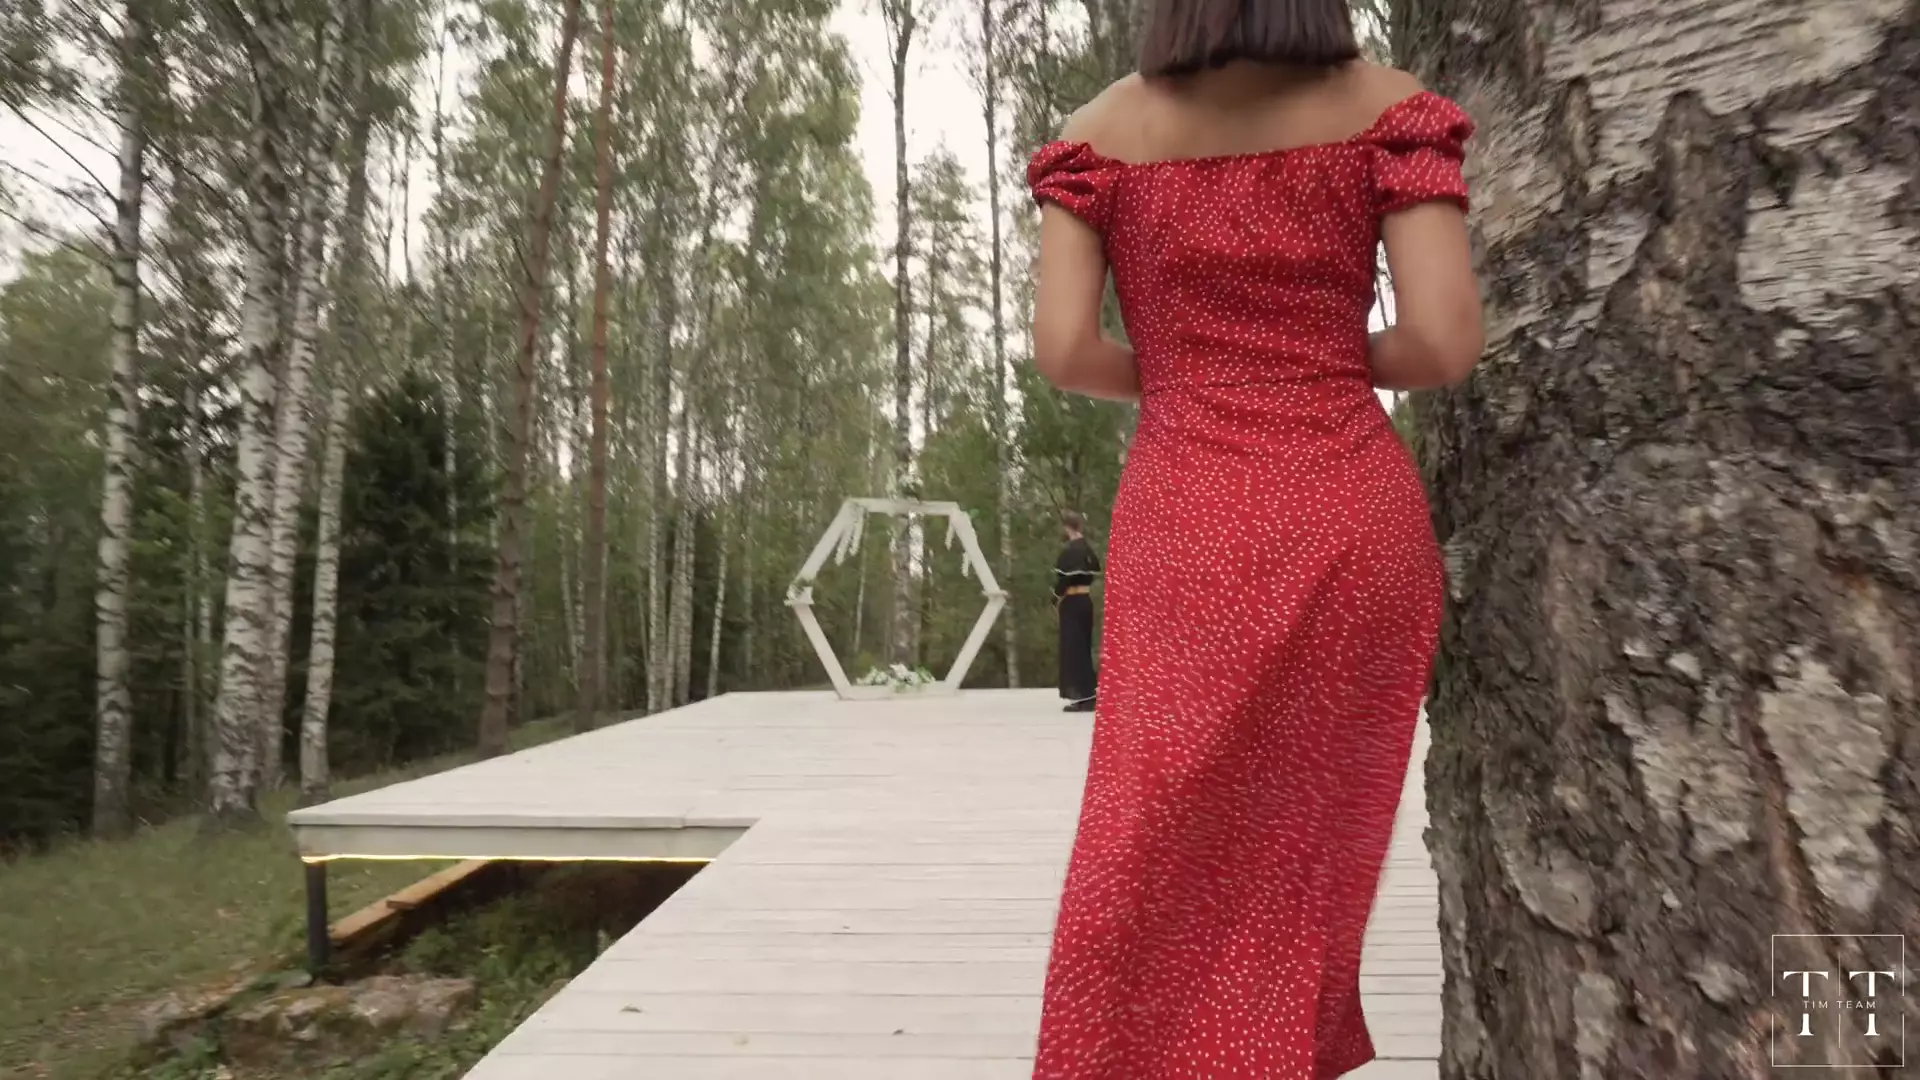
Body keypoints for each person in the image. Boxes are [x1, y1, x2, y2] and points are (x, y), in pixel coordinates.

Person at [1023, 0, 1483, 1076]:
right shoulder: (1391, 111)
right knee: (1300, 866)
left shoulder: (1100, 137)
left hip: (1187, 526)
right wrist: (1312, 354)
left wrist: (1191, 375)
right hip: (1346, 521)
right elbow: (1444, 339)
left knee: (1144, 848)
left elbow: (1062, 349)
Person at [1052, 510, 1102, 713]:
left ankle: (1085, 696)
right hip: (1085, 601)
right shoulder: (1088, 550)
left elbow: (1065, 580)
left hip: (1072, 602)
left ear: (1067, 527)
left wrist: (1055, 597)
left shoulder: (1072, 551)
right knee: (1083, 647)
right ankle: (1087, 694)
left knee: (1073, 650)